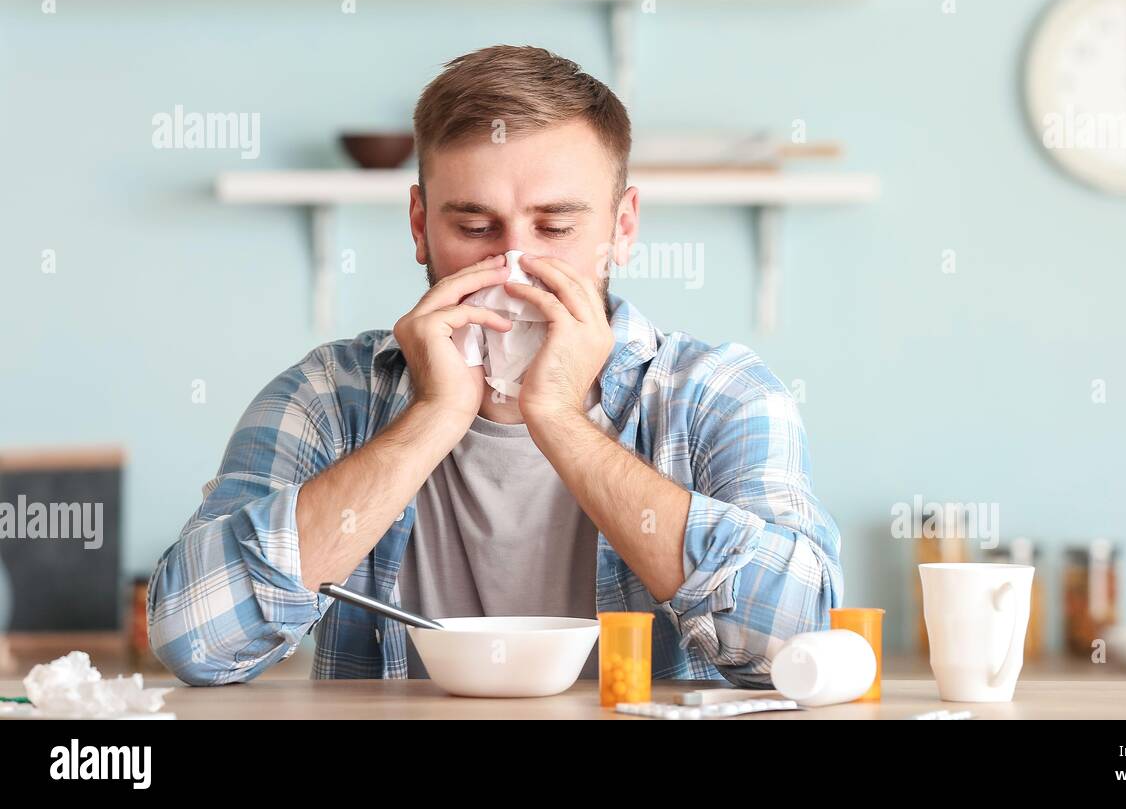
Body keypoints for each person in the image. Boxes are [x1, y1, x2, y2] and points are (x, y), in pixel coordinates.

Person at [148, 45, 843, 686]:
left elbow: (798, 638)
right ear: (420, 225)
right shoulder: (328, 398)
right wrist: (431, 418)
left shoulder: (718, 396)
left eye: (556, 227)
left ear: (622, 227)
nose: (513, 268)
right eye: (475, 228)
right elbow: (194, 639)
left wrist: (562, 421)